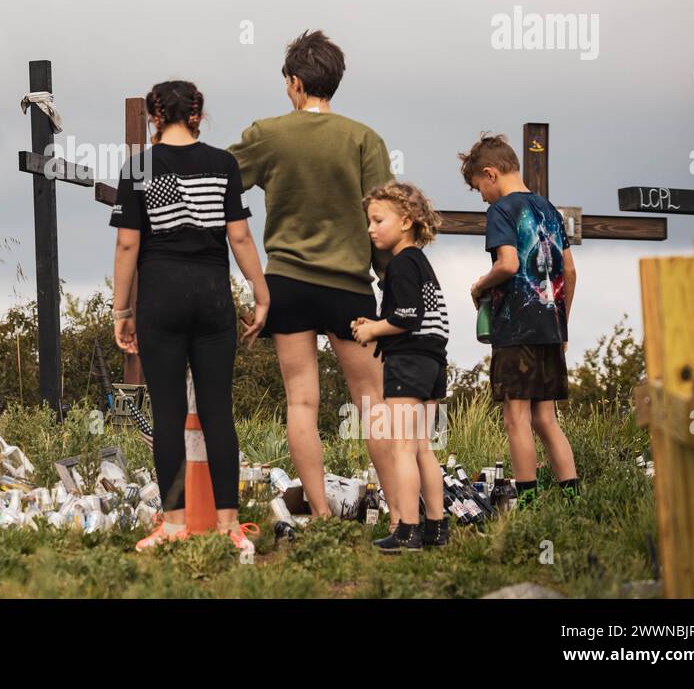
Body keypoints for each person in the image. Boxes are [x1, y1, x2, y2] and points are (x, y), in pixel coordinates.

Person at [226, 30, 396, 518]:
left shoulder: (268, 134)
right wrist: (390, 286)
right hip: (350, 286)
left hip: (288, 283)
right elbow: (382, 220)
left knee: (302, 401)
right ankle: (401, 508)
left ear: (295, 83)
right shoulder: (365, 139)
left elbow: (220, 181)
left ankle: (320, 512)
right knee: (372, 402)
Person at [110, 80, 270, 554]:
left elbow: (127, 243)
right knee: (219, 412)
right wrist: (261, 296)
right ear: (198, 115)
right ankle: (229, 526)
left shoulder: (139, 167)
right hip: (212, 295)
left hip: (161, 296)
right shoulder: (223, 164)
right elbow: (239, 238)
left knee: (168, 415)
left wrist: (122, 310)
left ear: (156, 117)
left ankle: (175, 524)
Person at [458, 133, 579, 507]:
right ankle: (573, 500)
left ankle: (527, 505)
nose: (482, 197)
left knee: (516, 418)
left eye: (479, 187)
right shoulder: (550, 210)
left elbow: (508, 264)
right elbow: (570, 272)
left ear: (490, 174)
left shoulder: (501, 211)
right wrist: (563, 326)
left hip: (516, 329)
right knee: (546, 419)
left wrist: (480, 284)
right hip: (551, 327)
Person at [351, 182, 450, 552]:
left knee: (403, 447)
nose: (370, 228)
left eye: (378, 220)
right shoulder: (420, 263)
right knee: (423, 446)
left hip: (409, 361)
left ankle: (407, 528)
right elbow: (411, 314)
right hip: (432, 361)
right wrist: (374, 325)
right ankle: (436, 528)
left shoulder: (402, 263)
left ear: (406, 221)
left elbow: (407, 317)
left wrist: (374, 329)